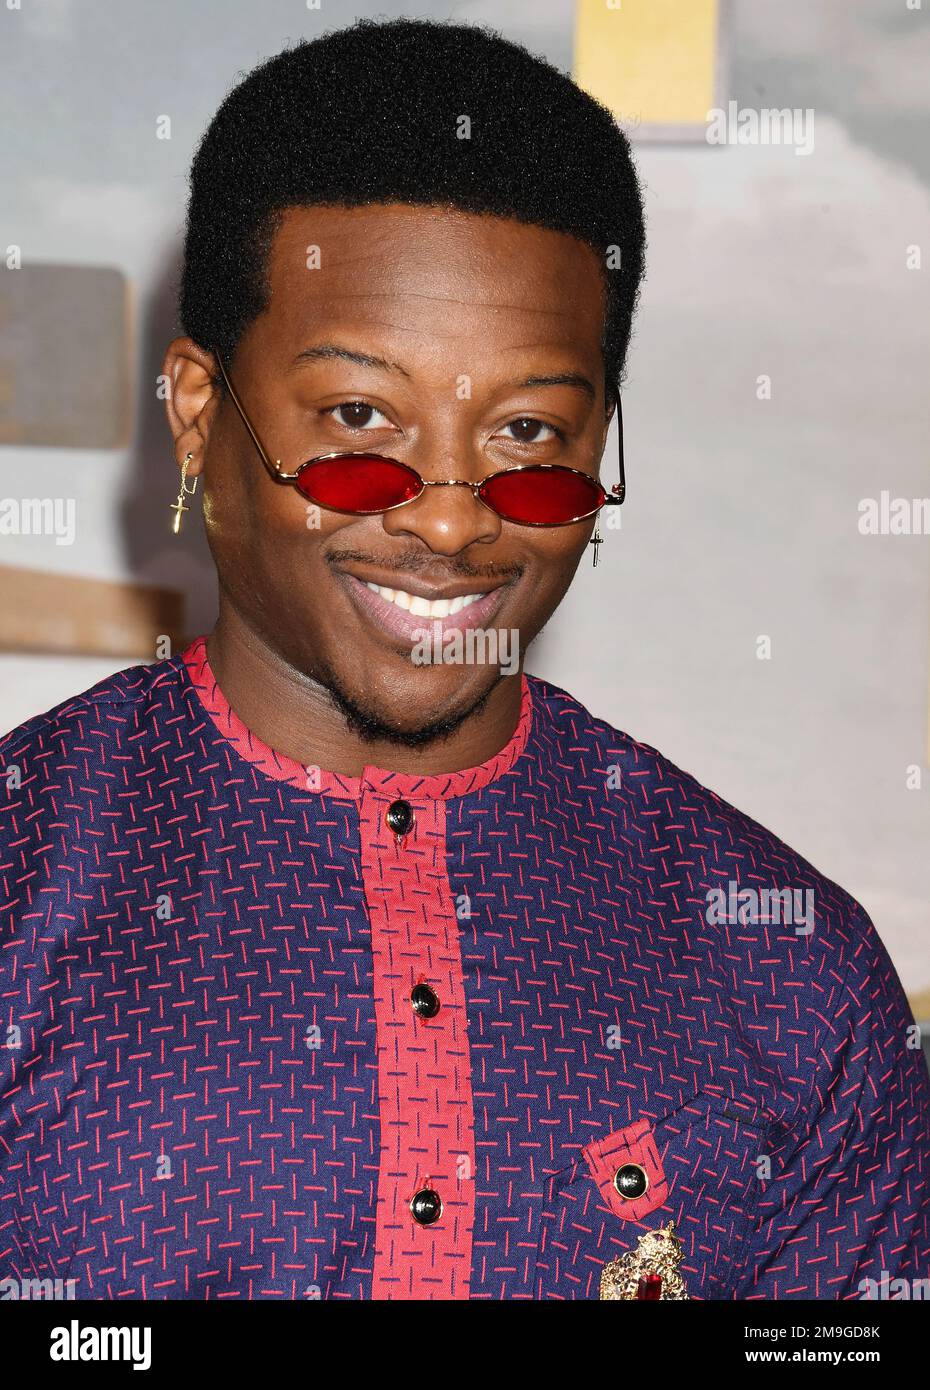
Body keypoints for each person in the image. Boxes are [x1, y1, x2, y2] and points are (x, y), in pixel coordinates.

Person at [1, 16, 927, 1302]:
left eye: (530, 432)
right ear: (202, 413)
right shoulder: (21, 887)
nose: (449, 514)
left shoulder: (791, 973)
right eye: (361, 421)